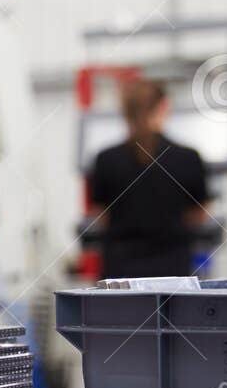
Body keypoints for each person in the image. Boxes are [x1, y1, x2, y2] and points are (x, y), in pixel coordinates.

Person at [90, 80, 210, 280]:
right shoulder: (188, 157)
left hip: (120, 273)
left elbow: (100, 216)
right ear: (164, 106)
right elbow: (200, 215)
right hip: (173, 272)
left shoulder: (106, 159)